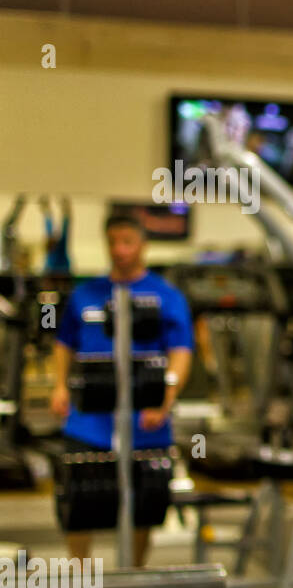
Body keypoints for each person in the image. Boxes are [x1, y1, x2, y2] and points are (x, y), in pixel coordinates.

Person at [49, 211, 193, 566]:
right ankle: (79, 584)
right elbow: (63, 343)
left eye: (127, 242)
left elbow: (180, 353)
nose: (119, 250)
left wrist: (164, 399)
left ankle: (133, 580)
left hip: (144, 420)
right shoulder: (86, 294)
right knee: (80, 502)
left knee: (144, 505)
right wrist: (59, 386)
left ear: (142, 244)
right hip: (88, 421)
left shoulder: (166, 297)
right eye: (112, 242)